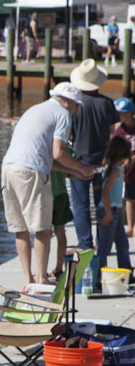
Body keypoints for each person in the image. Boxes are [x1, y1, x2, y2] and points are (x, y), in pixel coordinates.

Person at [1, 83, 96, 289]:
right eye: (76, 105)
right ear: (66, 101)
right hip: (31, 173)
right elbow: (58, 153)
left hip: (9, 168)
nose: (76, 110)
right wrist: (84, 167)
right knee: (43, 229)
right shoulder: (62, 114)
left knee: (21, 228)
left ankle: (29, 280)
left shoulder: (35, 109)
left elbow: (46, 158)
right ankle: (42, 280)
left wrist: (75, 172)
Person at [68, 59, 119, 262]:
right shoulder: (107, 103)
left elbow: (69, 132)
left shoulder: (76, 105)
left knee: (80, 206)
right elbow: (111, 131)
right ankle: (102, 243)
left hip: (79, 162)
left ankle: (86, 245)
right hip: (102, 162)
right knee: (101, 203)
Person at [95, 136, 133, 291]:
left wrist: (119, 208)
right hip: (108, 211)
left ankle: (126, 273)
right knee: (104, 246)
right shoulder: (115, 170)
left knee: (123, 243)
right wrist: (109, 213)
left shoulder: (115, 168)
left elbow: (115, 193)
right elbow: (105, 192)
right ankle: (98, 277)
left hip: (115, 210)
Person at [111, 97, 135, 236]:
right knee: (129, 198)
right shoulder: (119, 131)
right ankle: (130, 227)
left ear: (128, 113)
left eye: (120, 113)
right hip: (128, 172)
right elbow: (114, 149)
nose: (118, 115)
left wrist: (132, 159)